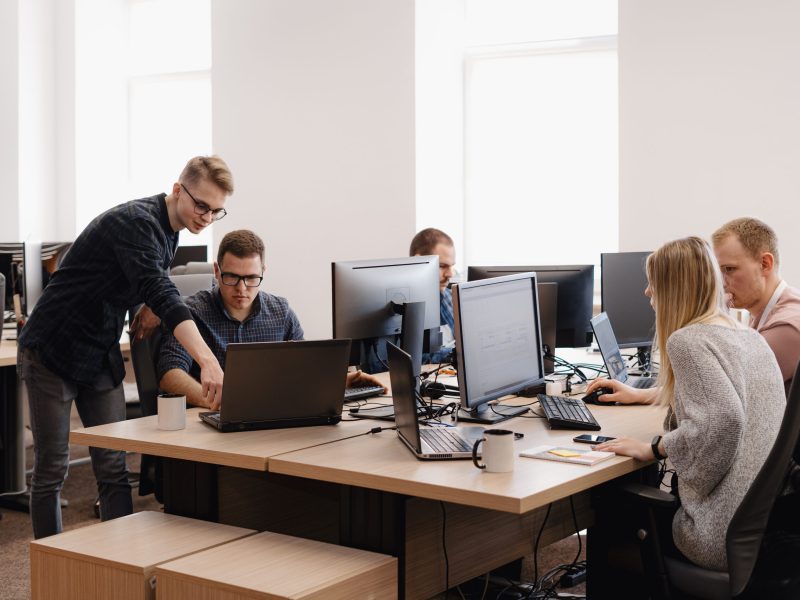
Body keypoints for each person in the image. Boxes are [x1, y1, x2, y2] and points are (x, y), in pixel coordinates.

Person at [18, 155, 233, 539]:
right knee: (52, 468)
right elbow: (162, 289)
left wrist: (148, 303)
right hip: (52, 347)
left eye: (217, 211)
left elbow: (145, 277)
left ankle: (120, 566)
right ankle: (49, 566)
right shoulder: (135, 222)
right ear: (177, 189)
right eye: (201, 205)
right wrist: (208, 360)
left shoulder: (172, 228)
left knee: (114, 464)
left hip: (99, 352)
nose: (206, 216)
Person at [593, 236, 785, 570]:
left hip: (717, 535)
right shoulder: (747, 335)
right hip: (765, 531)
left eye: (652, 283)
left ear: (671, 287)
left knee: (608, 501)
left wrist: (654, 449)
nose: (647, 292)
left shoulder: (687, 341)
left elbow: (724, 420)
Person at [158, 230, 385, 404]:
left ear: (263, 272)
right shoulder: (192, 313)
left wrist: (341, 382)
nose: (242, 288)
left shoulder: (280, 312)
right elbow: (170, 375)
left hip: (271, 420)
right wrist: (216, 401)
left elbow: (304, 372)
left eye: (251, 278)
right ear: (217, 271)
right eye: (232, 277)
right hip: (214, 424)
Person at [712, 217, 800, 395]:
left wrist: (714, 314)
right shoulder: (760, 314)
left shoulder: (786, 327)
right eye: (717, 271)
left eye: (729, 269)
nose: (721, 282)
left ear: (765, 264)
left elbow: (721, 393)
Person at [409, 228, 456, 364]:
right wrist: (457, 354)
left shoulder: (448, 297)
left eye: (451, 266)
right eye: (442, 266)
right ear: (418, 262)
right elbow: (415, 358)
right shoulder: (399, 307)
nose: (450, 274)